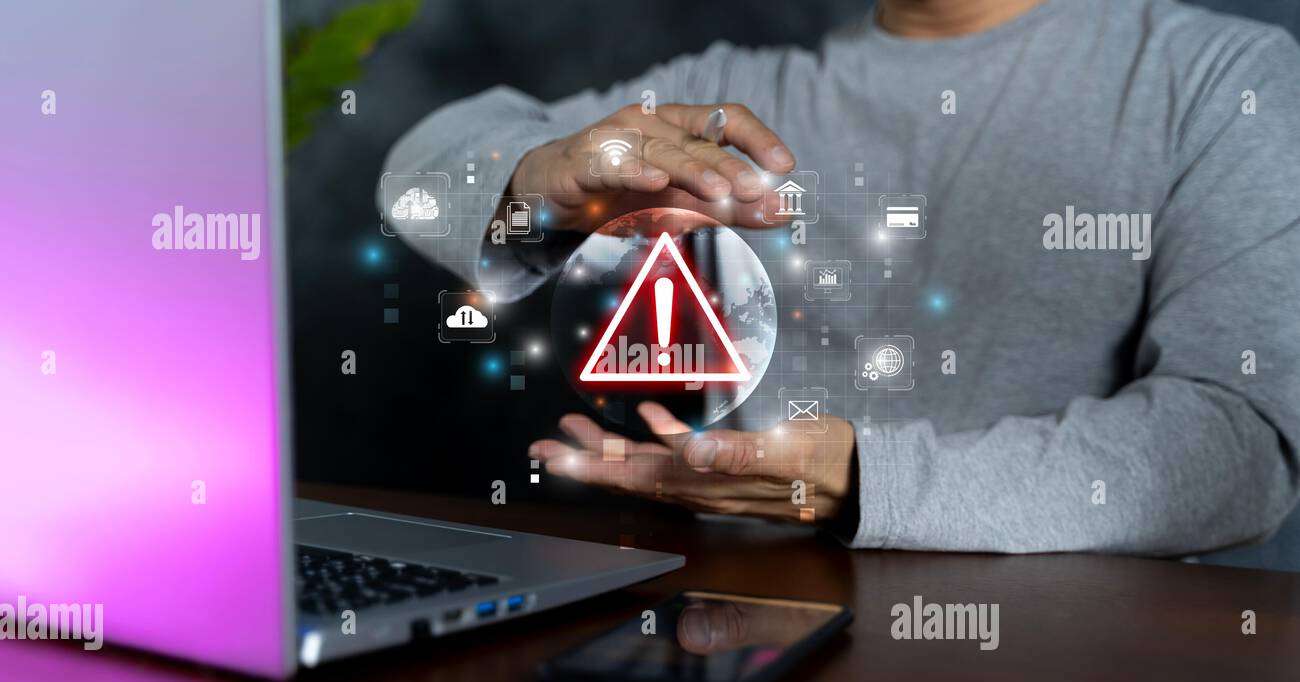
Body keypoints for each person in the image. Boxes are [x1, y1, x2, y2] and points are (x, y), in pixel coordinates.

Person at [383, 0, 1300, 555]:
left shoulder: (1224, 81)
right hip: (740, 641)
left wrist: (865, 480)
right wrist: (534, 179)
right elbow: (417, 171)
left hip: (1081, 679)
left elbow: (1242, 446)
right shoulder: (725, 97)